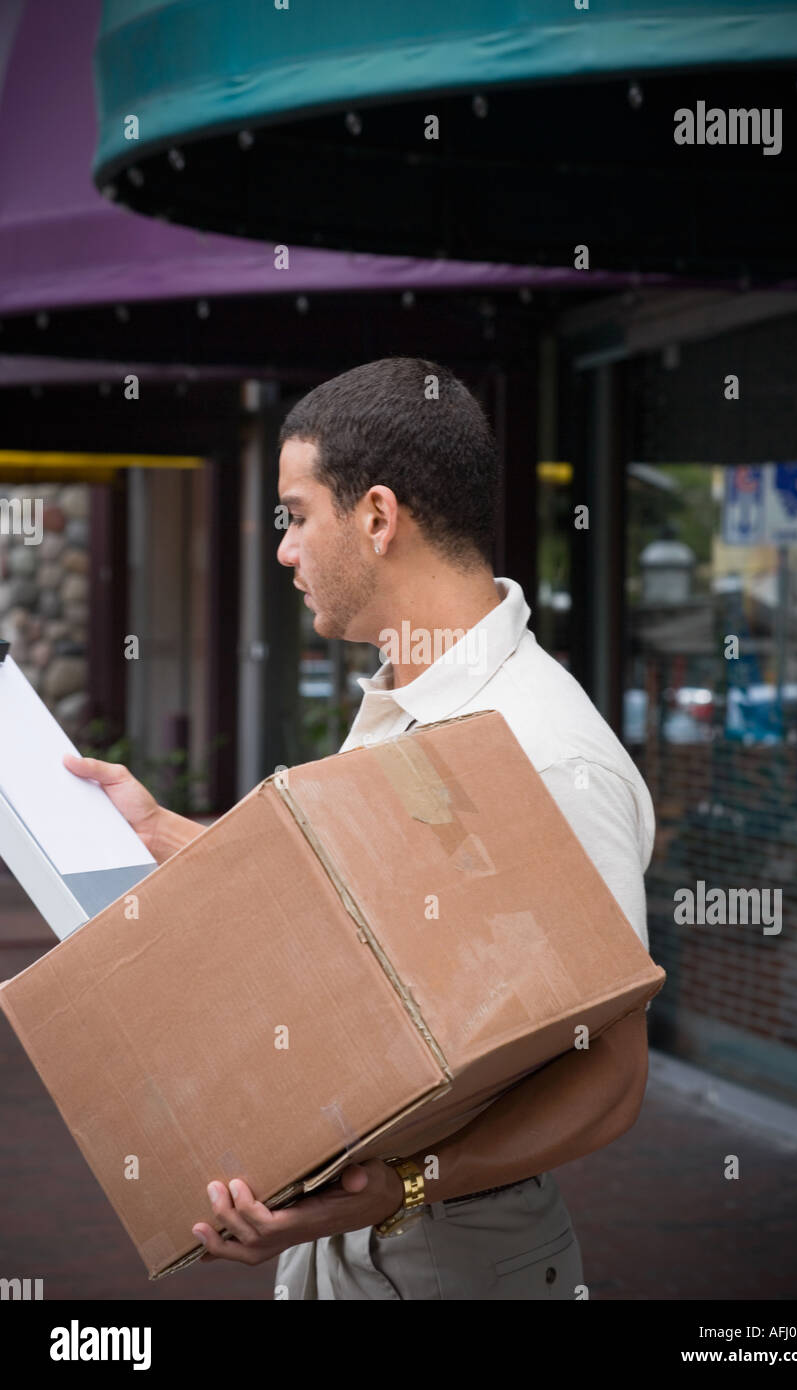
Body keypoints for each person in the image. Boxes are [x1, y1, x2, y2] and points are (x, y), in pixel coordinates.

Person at [64, 356, 655, 1300]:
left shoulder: (545, 754)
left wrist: (406, 1188)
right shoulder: (409, 697)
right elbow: (341, 899)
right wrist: (160, 829)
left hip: (456, 1266)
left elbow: (611, 1078)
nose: (283, 552)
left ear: (377, 518)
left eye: (295, 516)